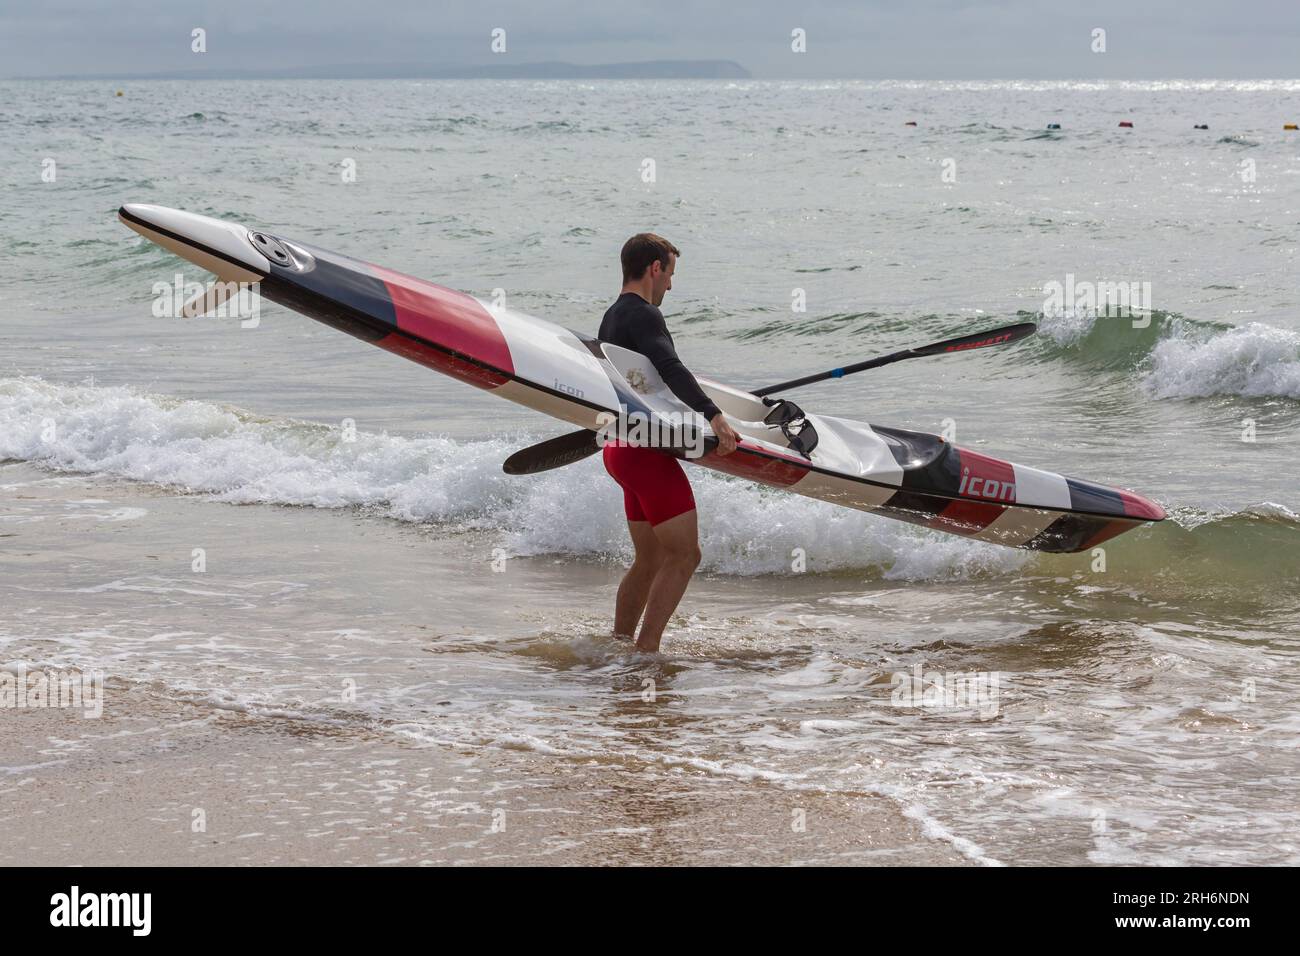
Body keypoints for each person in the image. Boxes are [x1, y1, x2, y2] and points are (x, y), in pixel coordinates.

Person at [598, 233, 741, 652]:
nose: (671, 287)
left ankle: (620, 644)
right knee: (684, 556)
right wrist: (713, 414)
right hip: (643, 452)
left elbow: (642, 383)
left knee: (651, 559)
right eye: (671, 274)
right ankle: (647, 652)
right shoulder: (644, 315)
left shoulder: (612, 317)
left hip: (620, 448)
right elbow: (671, 367)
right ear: (655, 269)